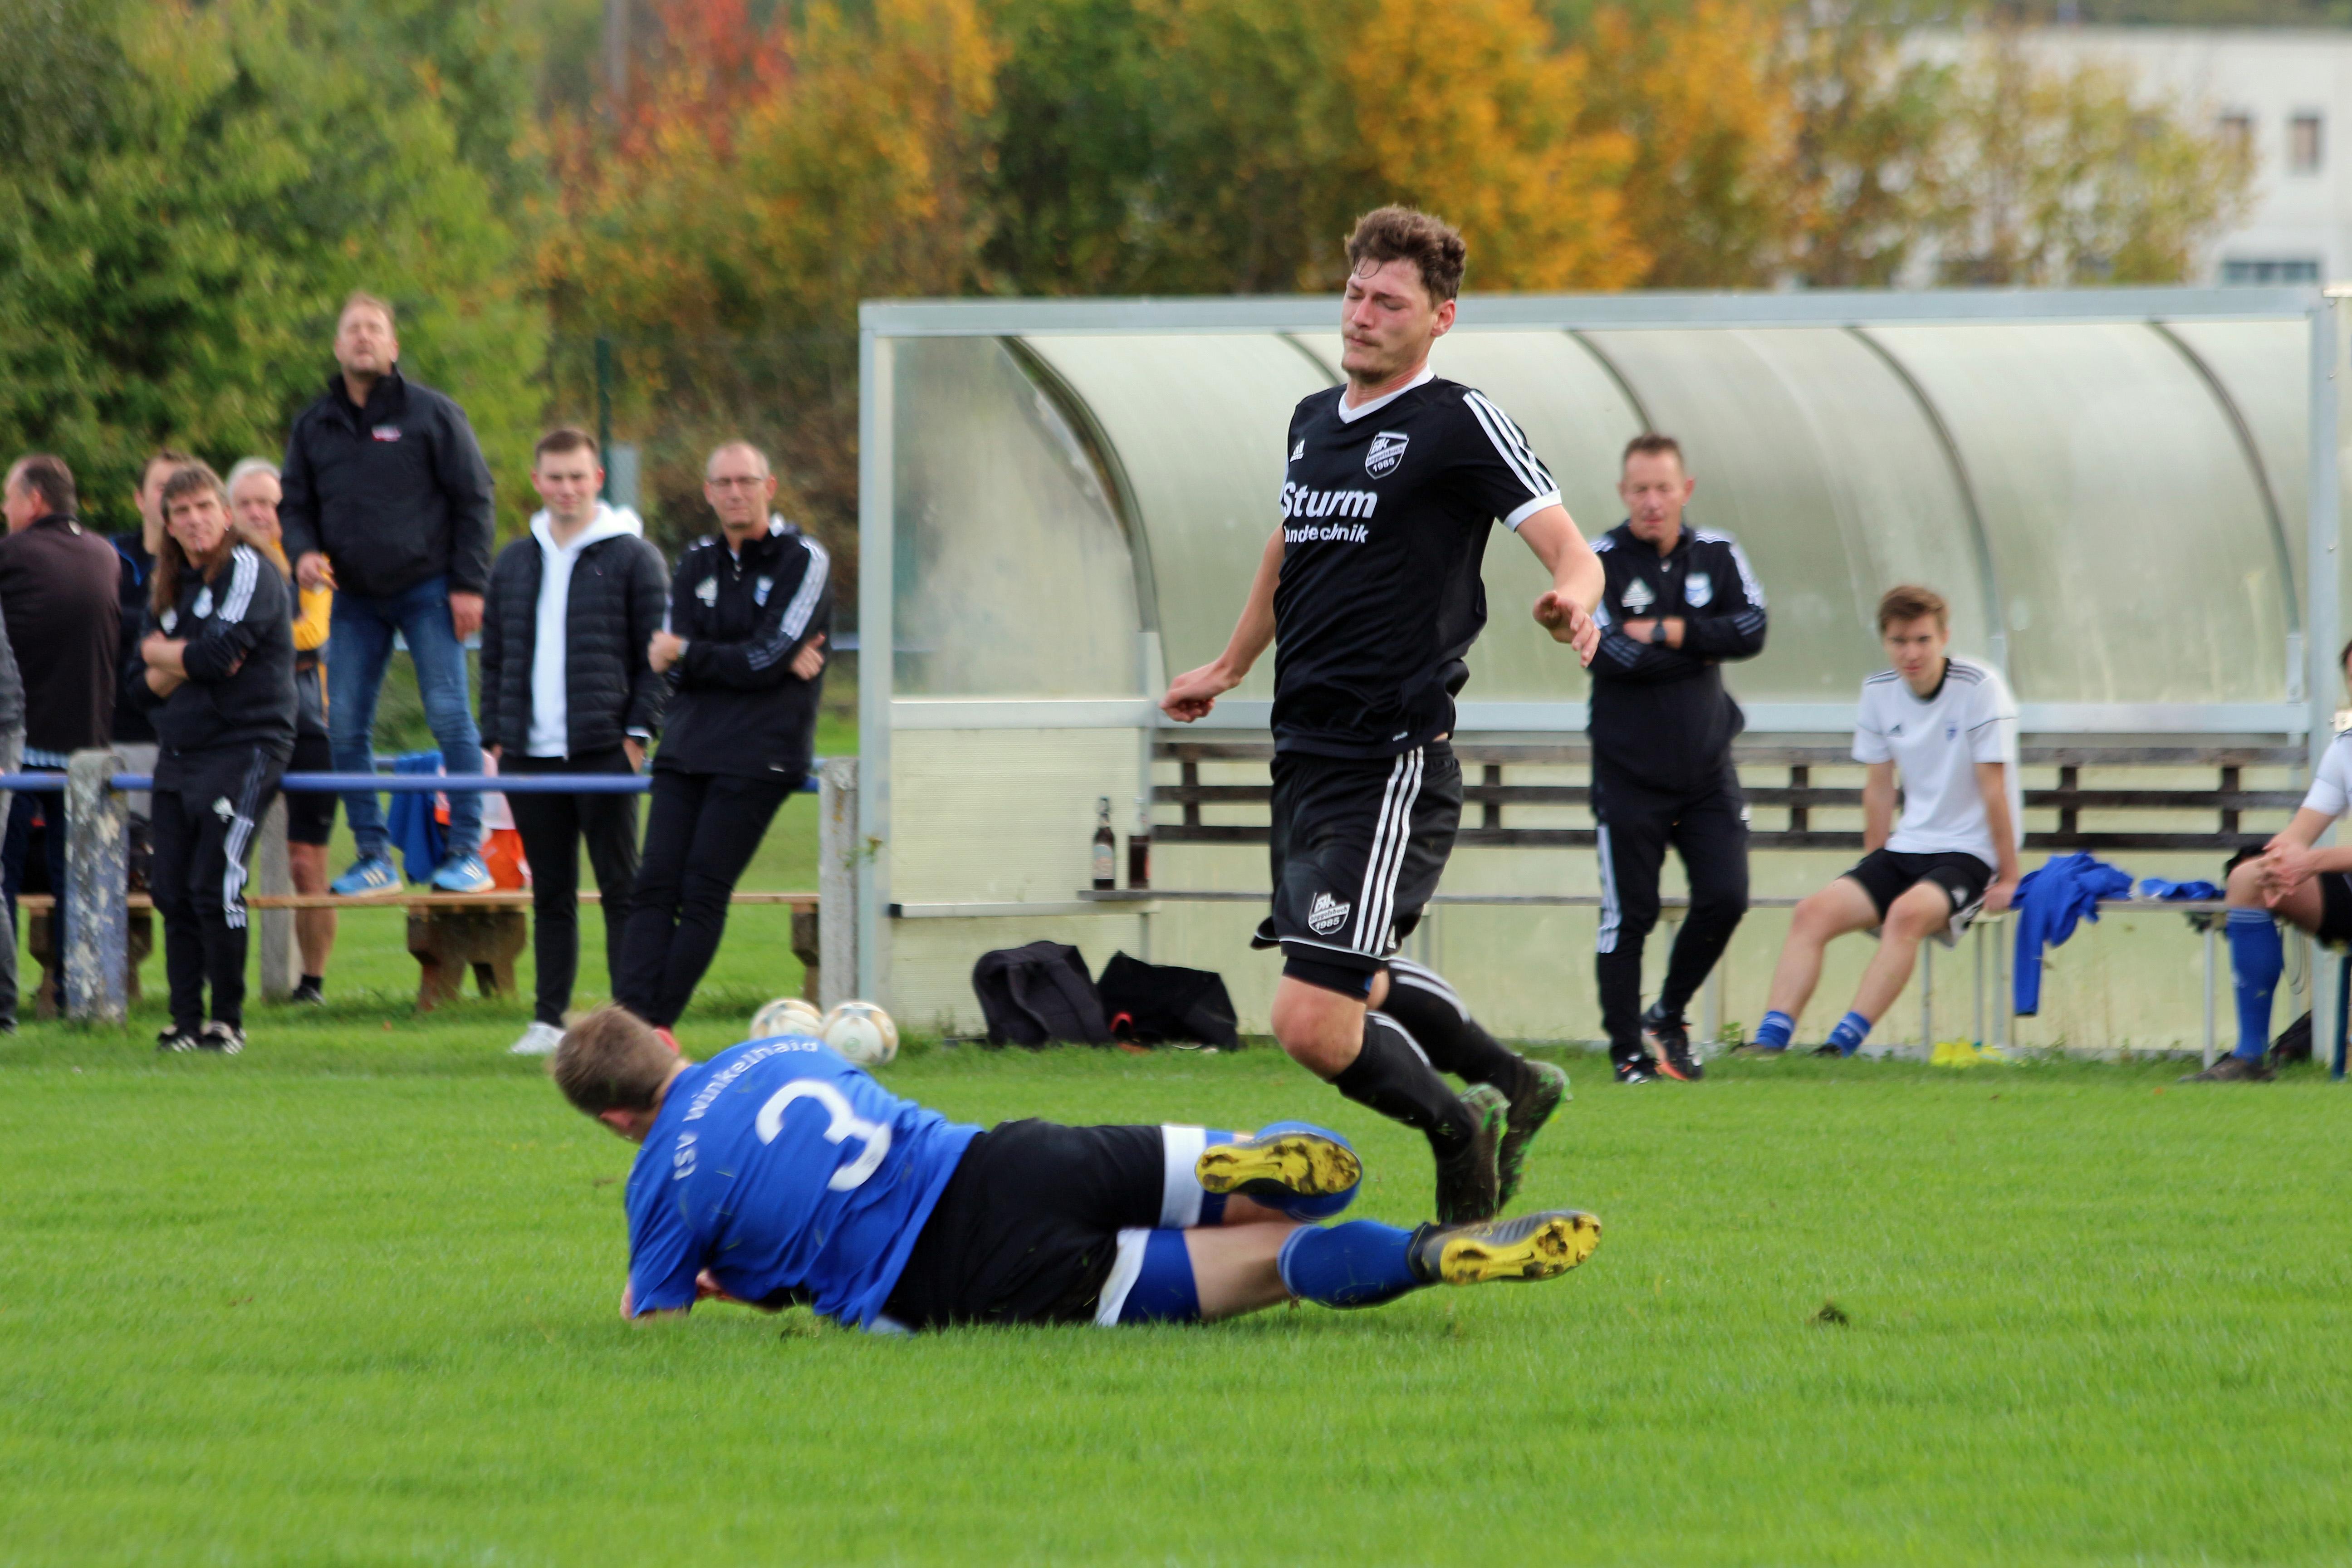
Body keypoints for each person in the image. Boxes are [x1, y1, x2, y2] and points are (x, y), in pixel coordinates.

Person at [1159, 206, 1604, 1226]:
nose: (1361, 316)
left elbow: (1574, 548)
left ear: (1441, 318)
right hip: (1301, 753)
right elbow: (1290, 545)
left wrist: (1573, 601)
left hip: (1390, 758)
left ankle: (1462, 1129)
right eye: (1354, 293)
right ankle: (1516, 1084)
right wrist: (1230, 664)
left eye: (1388, 302)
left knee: (1310, 1018)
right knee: (1350, 978)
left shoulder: (1459, 422)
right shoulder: (1313, 418)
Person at [550, 1004, 1603, 1331]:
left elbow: (658, 1327)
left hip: (961, 1277)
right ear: (663, 1036)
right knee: (1272, 1182)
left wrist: (720, 1283)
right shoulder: (782, 1046)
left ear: (614, 1118)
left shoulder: (658, 1186)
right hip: (1001, 1157)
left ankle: (1426, 1255)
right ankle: (1251, 1160)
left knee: (1276, 1262)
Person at [279, 290, 499, 897]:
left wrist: (468, 585)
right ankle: (373, 856)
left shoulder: (433, 414)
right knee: (344, 725)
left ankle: (467, 853)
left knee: (451, 716)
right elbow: (293, 503)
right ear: (337, 345)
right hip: (353, 600)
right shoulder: (313, 423)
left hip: (430, 590)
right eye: (353, 329)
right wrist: (301, 554)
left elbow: (476, 498)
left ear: (394, 345)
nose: (363, 338)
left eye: (375, 328)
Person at [1740, 585, 2020, 1057]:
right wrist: (1874, 866)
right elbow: (1880, 787)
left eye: (1922, 640)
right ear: (1885, 642)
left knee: (1905, 915)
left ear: (1944, 637)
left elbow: (1995, 788)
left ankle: (1840, 1046)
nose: (1911, 653)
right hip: (1906, 849)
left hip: (1970, 854)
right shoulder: (1878, 691)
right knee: (1812, 913)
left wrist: (2010, 876)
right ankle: (1770, 1041)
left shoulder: (1980, 687)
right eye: (1899, 641)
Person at [616, 441, 828, 1037]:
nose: (736, 491)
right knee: (653, 885)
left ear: (770, 486)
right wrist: (748, 661)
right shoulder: (695, 561)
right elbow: (674, 665)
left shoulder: (803, 558)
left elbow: (761, 654)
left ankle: (652, 1029)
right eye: (724, 483)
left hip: (761, 753)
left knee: (704, 889)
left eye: (747, 480)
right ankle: (628, 1024)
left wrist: (704, 654)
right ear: (708, 492)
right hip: (687, 747)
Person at [1585, 434, 1768, 1084]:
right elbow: (1608, 654)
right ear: (1623, 493)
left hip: (1707, 773)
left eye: (1664, 488)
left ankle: (1667, 1014)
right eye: (1640, 490)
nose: (1653, 502)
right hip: (1628, 775)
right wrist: (1704, 647)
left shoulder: (1716, 553)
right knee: (1627, 918)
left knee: (1726, 897)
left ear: (1685, 490)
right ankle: (1627, 1054)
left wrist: (1669, 631)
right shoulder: (1598, 559)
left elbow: (1753, 629)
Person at [480, 430, 668, 1056]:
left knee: (622, 887)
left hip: (603, 753)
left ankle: (631, 1023)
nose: (566, 488)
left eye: (578, 477)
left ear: (598, 480)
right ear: (537, 481)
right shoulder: (513, 560)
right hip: (530, 757)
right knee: (550, 891)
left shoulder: (634, 557)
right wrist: (496, 738)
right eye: (555, 477)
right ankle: (549, 1020)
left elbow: (658, 660)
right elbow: (496, 657)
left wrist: (637, 737)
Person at [122, 463, 298, 1054]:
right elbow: (137, 686)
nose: (195, 521)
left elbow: (220, 656)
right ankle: (183, 1021)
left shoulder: (249, 568)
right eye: (181, 513)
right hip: (181, 751)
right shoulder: (168, 586)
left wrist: (160, 654)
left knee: (214, 885)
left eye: (204, 508)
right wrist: (176, 656)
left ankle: (228, 1020)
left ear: (225, 514)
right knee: (170, 887)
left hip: (245, 748)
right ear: (167, 525)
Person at [2190, 638, 2352, 1082]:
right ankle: (2250, 1058)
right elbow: (2300, 834)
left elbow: (2315, 855)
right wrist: (2280, 862)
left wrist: (2314, 862)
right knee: (2249, 878)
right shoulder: (2345, 750)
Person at [0, 454, 123, 1010]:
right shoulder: (105, 553)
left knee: (4, 867)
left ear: (35, 501)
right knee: (75, 877)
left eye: (8, 497)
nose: (4, 509)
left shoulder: (15, 554)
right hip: (89, 748)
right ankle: (80, 992)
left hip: (21, 744)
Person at [228, 457, 338, 1003]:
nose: (258, 513)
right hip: (237, 730)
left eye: (269, 503)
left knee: (305, 863)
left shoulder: (310, 566)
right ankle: (220, 982)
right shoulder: (216, 568)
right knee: (223, 859)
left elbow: (312, 633)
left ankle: (311, 984)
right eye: (246, 503)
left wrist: (241, 642)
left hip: (308, 726)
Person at [113, 451, 192, 844]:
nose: (171, 499)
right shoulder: (109, 558)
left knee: (173, 868)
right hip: (115, 732)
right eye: (162, 487)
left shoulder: (202, 567)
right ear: (140, 500)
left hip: (183, 737)